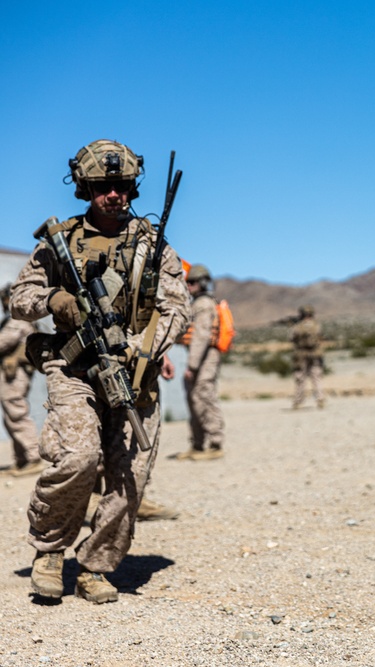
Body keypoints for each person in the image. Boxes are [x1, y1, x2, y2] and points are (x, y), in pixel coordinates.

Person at [10, 139, 188, 603]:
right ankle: (49, 551)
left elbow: (175, 310)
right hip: (73, 365)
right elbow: (19, 298)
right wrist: (54, 300)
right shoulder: (61, 240)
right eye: (104, 186)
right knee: (78, 458)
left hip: (135, 370)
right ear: (86, 188)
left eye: (124, 185)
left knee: (131, 476)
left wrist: (141, 348)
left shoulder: (154, 245)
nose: (116, 194)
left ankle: (95, 565)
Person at [174, 264, 226, 460]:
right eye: (188, 282)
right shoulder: (197, 303)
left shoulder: (204, 304)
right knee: (194, 399)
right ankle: (197, 444)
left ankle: (215, 443)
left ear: (203, 283)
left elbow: (202, 336)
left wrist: (192, 365)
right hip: (199, 357)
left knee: (204, 396)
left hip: (205, 357)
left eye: (193, 282)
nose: (189, 286)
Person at [1, 283, 44, 477]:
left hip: (15, 375)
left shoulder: (19, 321)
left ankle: (33, 457)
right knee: (11, 415)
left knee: (16, 413)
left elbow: (3, 342)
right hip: (11, 374)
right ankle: (22, 460)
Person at [290, 305, 325, 409]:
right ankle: (320, 399)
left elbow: (292, 339)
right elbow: (320, 337)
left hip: (301, 354)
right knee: (316, 377)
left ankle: (298, 401)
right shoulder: (317, 326)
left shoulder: (297, 327)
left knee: (300, 378)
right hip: (315, 354)